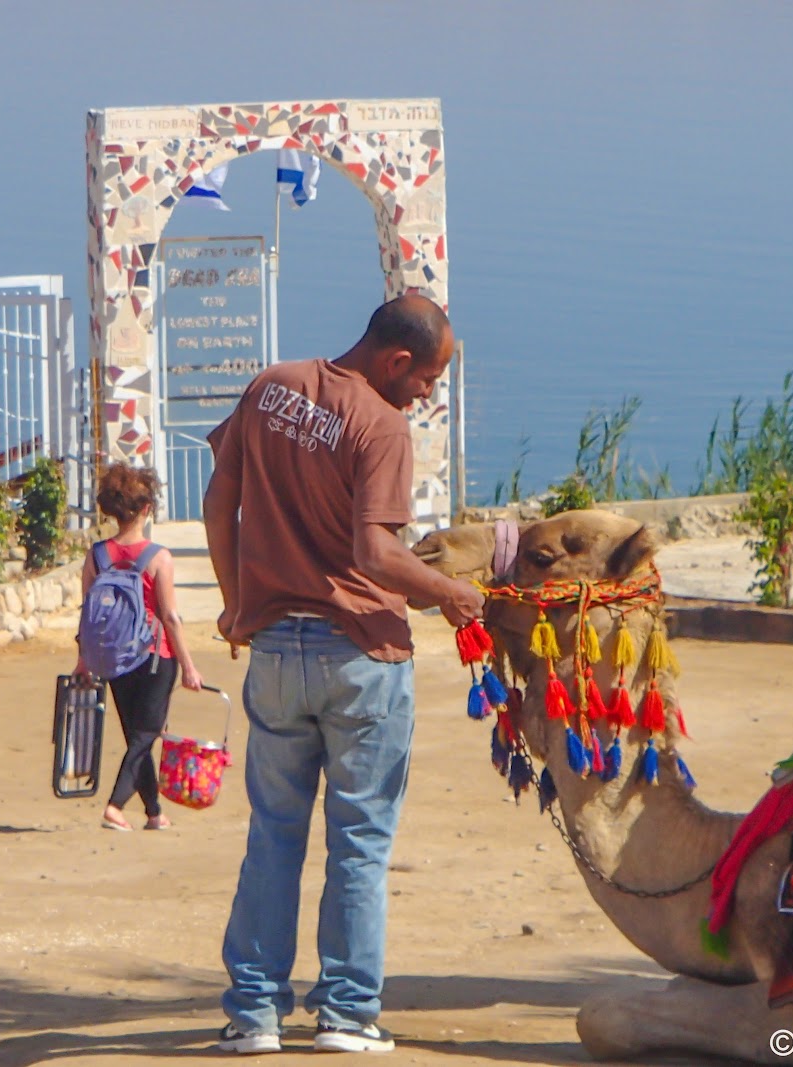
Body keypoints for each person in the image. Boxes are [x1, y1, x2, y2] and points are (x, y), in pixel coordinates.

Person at [203, 295, 486, 1054]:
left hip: (275, 652)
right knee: (359, 840)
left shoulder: (272, 386)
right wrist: (456, 594)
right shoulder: (382, 424)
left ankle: (254, 1014)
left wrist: (236, 608)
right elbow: (376, 554)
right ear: (397, 361)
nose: (427, 394)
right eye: (428, 378)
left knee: (273, 835)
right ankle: (348, 1013)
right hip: (362, 655)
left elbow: (218, 498)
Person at [74, 463, 204, 832]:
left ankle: (153, 812)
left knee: (136, 735)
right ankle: (115, 805)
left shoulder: (96, 556)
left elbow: (88, 615)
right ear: (146, 508)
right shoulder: (158, 557)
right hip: (154, 656)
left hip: (112, 655)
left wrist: (83, 660)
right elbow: (170, 617)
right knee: (147, 734)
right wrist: (189, 666)